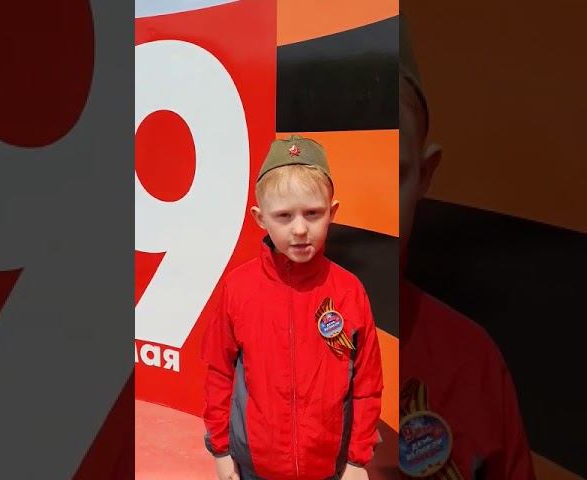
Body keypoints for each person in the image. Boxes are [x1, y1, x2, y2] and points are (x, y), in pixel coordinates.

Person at [399, 17, 535, 479]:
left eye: (392, 172)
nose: (366, 205)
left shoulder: (472, 362)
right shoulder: (244, 343)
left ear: (424, 175)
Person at [201, 136, 384, 480]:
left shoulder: (349, 292)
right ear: (260, 218)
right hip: (255, 469)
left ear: (332, 213)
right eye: (284, 216)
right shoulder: (237, 288)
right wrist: (221, 451)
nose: (300, 229)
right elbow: (218, 372)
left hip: (329, 470)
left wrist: (358, 460)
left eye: (312, 213)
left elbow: (368, 383)